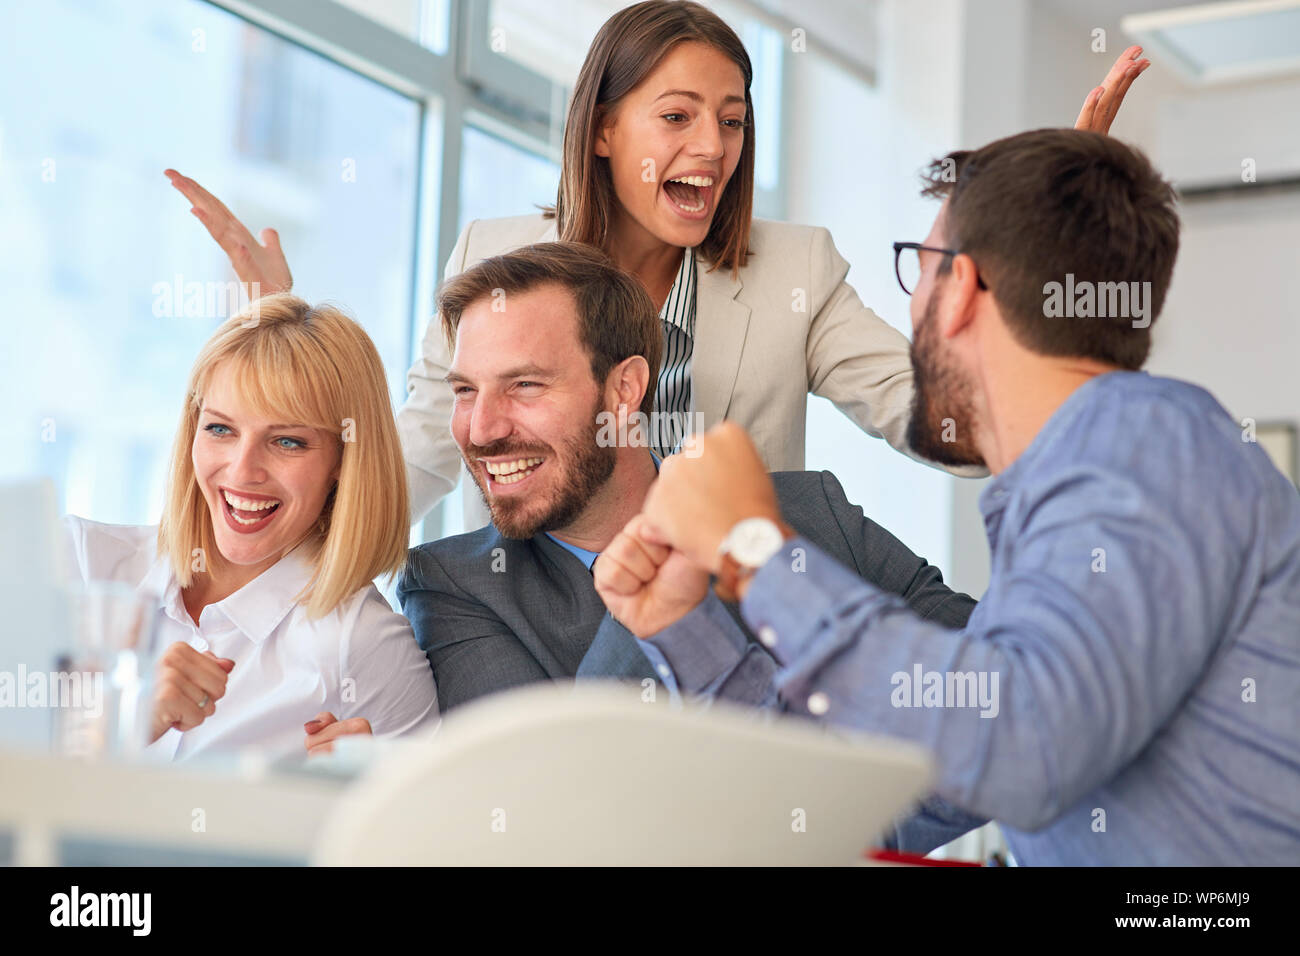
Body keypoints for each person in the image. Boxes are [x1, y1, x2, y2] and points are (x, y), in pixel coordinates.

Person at [163, 1, 1149, 528]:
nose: (712, 149)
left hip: (721, 642)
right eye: (676, 117)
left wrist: (1039, 245)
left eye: (730, 121)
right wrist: (284, 340)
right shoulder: (496, 260)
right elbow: (409, 465)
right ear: (601, 131)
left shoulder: (793, 267)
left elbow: (934, 418)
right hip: (526, 630)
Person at [604, 129, 1300, 865]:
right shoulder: (1075, 526)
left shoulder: (1143, 445)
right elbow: (873, 806)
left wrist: (755, 547)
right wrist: (687, 627)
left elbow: (1022, 747)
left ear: (961, 287)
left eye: (922, 270)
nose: (913, 312)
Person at [395, 242, 975, 722]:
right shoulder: (453, 586)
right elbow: (545, 807)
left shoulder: (811, 512)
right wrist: (652, 601)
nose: (481, 429)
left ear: (624, 391)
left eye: (525, 386)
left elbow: (991, 686)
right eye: (466, 390)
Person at [63, 295, 438, 760]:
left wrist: (363, 799)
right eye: (221, 429)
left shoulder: (366, 645)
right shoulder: (78, 563)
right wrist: (119, 721)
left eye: (287, 441)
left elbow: (423, 829)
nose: (243, 471)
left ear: (345, 459)